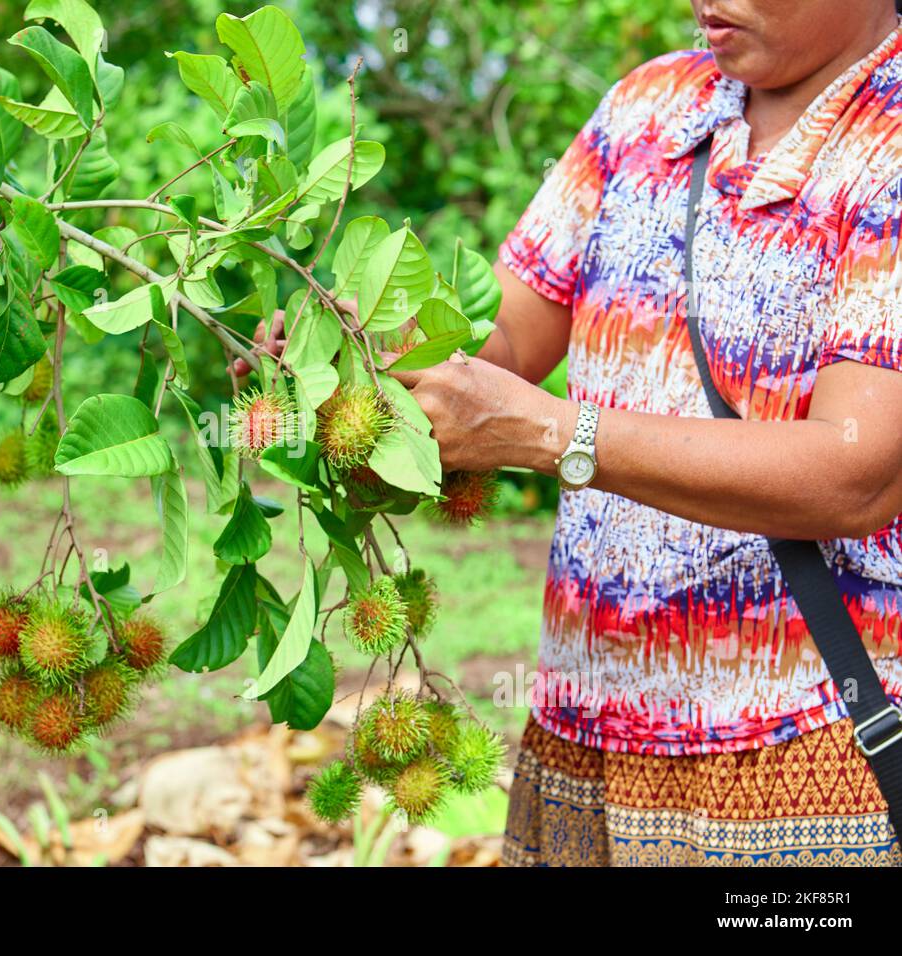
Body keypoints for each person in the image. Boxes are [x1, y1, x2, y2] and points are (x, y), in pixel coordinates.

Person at [250, 0, 902, 865]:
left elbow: (854, 477)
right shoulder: (646, 106)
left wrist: (554, 434)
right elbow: (511, 338)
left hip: (807, 751)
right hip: (584, 731)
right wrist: (354, 344)